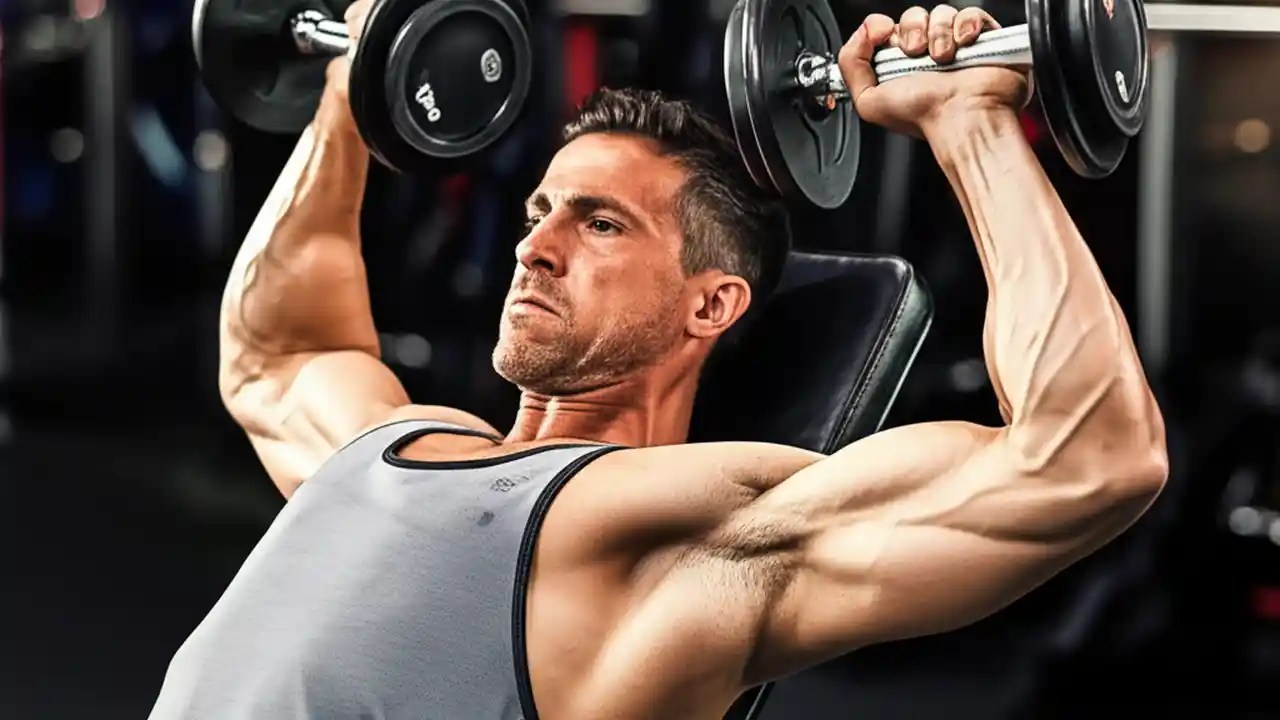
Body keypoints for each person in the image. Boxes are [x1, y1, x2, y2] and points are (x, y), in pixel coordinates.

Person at [150, 3, 1168, 719]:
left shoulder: (694, 543)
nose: (533, 247)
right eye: (539, 211)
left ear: (711, 303)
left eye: (598, 225)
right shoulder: (387, 440)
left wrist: (970, 127)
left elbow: (1085, 460)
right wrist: (352, 89)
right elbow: (281, 348)